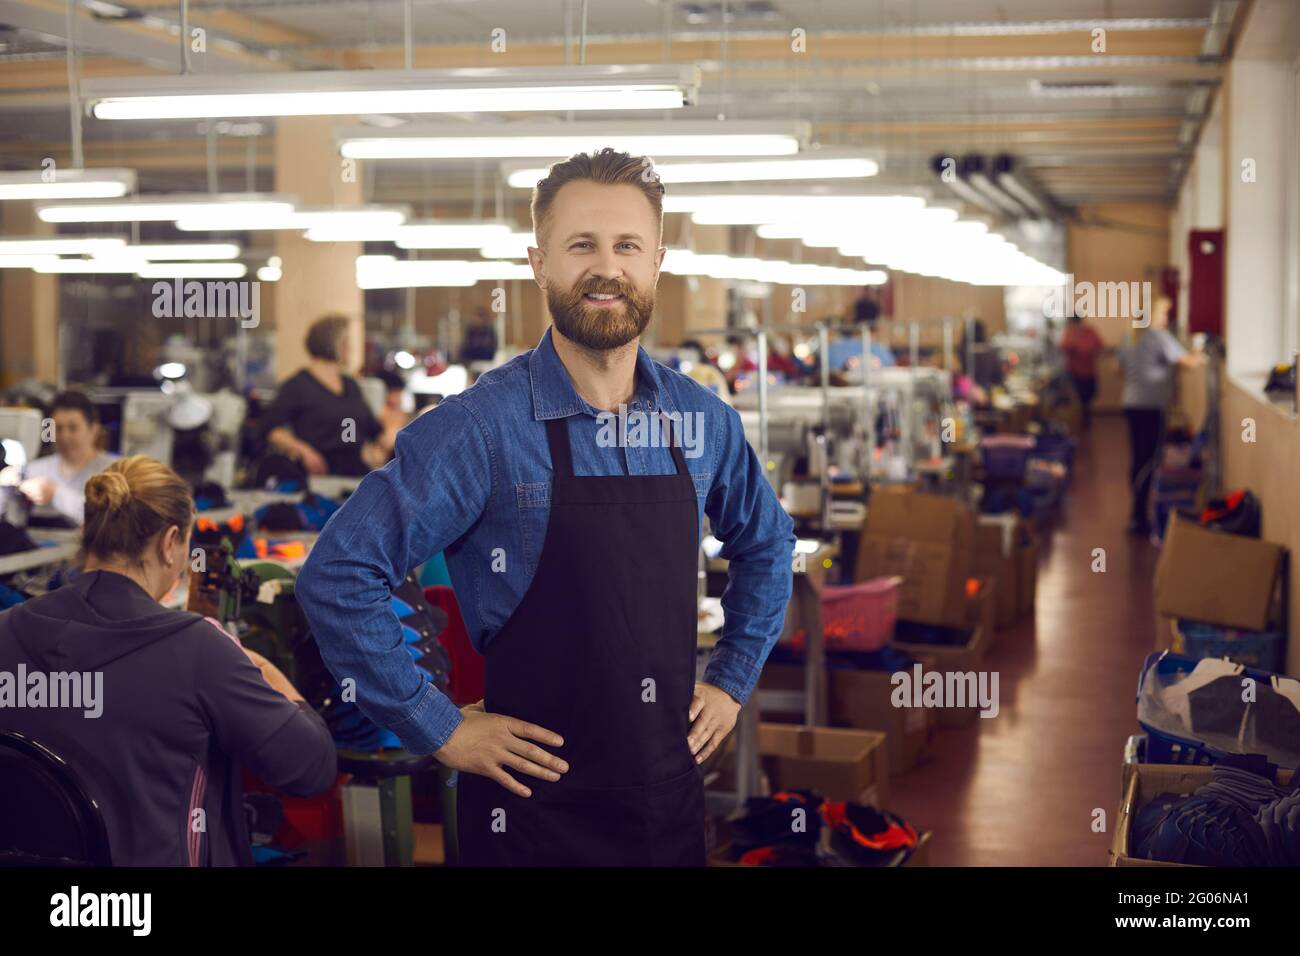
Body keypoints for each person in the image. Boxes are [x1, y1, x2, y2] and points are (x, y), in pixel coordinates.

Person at [296, 147, 795, 867]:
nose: (607, 267)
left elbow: (769, 545)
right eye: (581, 245)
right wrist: (437, 727)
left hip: (667, 809)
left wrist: (731, 681)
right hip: (529, 819)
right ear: (540, 264)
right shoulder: (480, 429)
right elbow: (339, 573)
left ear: (657, 261)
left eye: (627, 245)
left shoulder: (703, 423)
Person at [0, 456, 336, 865]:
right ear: (170, 541)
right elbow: (311, 768)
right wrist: (262, 669)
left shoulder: (6, 630)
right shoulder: (199, 649)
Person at [261, 315, 391, 477]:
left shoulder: (350, 385)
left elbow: (372, 429)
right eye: (345, 343)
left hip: (355, 474)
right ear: (332, 344)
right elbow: (272, 429)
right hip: (319, 475)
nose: (350, 348)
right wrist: (304, 451)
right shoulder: (297, 385)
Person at [1119, 295, 1205, 536]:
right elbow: (1188, 363)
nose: (1166, 319)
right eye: (1164, 314)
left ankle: (1136, 514)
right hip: (1151, 407)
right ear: (1152, 315)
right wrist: (1201, 348)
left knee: (1139, 458)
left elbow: (1118, 368)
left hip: (1132, 404)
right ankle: (1138, 517)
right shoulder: (1157, 336)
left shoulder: (1130, 337)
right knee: (1149, 460)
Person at [8, 390, 117, 525]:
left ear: (94, 429)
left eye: (73, 428)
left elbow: (109, 518)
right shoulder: (35, 470)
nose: (64, 437)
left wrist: (55, 494)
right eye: (58, 429)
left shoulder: (114, 471)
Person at [1060, 313, 1105, 429]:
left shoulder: (1090, 331)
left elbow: (1100, 346)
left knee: (1090, 396)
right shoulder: (1069, 332)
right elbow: (1063, 347)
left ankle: (1085, 419)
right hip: (1074, 373)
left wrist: (1092, 352)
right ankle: (1079, 421)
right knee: (1077, 399)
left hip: (1089, 371)